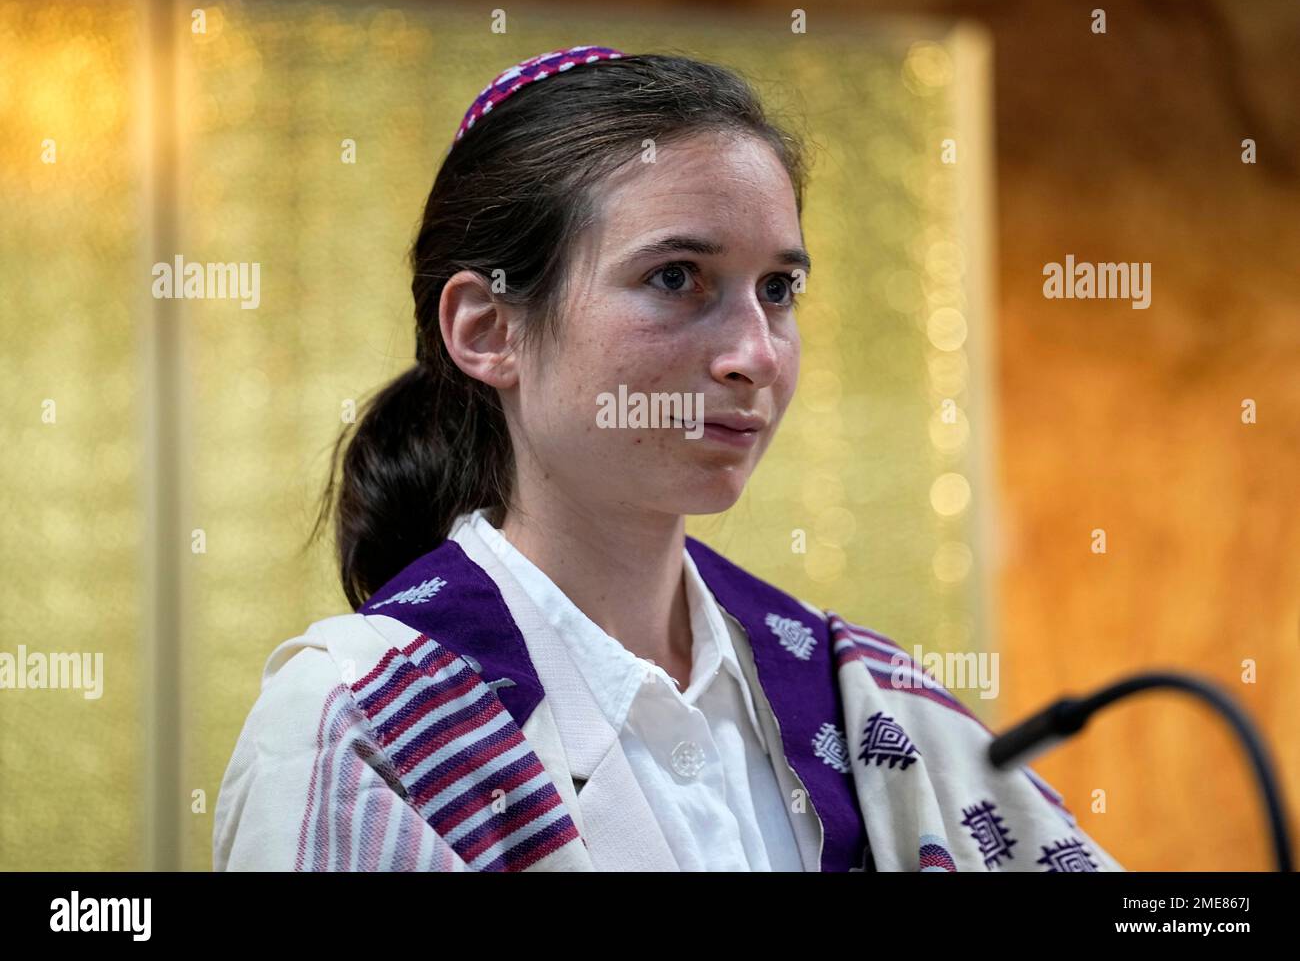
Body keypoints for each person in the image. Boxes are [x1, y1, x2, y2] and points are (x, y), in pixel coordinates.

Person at [212, 45, 1122, 873]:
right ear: (488, 330)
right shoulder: (364, 724)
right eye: (676, 278)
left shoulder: (859, 698)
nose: (756, 353)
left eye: (778, 289)